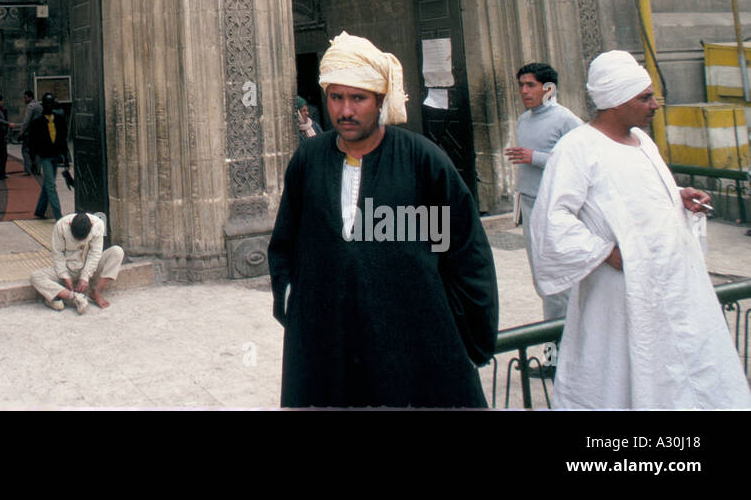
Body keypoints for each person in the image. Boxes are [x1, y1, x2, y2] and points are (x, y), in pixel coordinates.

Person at [267, 31, 499, 407]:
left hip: (415, 346)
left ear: (379, 100)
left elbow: (465, 253)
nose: (345, 111)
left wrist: (461, 334)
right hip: (330, 343)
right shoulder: (309, 160)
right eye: (336, 97)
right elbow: (285, 243)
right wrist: (294, 298)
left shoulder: (421, 161)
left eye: (358, 98)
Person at [529, 50, 751, 409]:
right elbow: (551, 221)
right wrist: (605, 252)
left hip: (677, 284)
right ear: (616, 103)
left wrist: (679, 197)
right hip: (621, 292)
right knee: (624, 377)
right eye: (645, 98)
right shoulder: (577, 148)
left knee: (686, 368)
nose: (655, 105)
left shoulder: (643, 142)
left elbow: (634, 195)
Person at [503, 61, 581, 375]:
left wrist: (534, 157)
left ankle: (560, 361)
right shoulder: (524, 120)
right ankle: (558, 357)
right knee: (545, 285)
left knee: (558, 286)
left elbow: (579, 163)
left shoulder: (567, 121)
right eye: (521, 85)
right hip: (531, 208)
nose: (524, 91)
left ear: (548, 88)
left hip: (556, 210)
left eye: (531, 85)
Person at [30, 211, 124, 313]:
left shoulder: (98, 224)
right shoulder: (61, 226)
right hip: (68, 269)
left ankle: (96, 292)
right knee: (36, 276)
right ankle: (74, 297)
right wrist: (65, 276)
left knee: (117, 251)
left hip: (89, 269)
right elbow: (57, 255)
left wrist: (85, 277)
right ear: (70, 225)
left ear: (91, 226)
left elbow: (95, 254)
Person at [29, 92, 70, 221]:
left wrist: (65, 156)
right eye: (46, 103)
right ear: (43, 105)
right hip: (45, 156)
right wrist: (33, 161)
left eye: (50, 103)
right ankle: (58, 216)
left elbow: (63, 139)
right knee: (51, 185)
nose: (48, 105)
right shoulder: (37, 122)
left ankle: (40, 210)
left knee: (48, 183)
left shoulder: (59, 119)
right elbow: (33, 143)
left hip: (56, 155)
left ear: (53, 104)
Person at [17, 89, 43, 176]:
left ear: (30, 97)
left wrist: (21, 131)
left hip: (31, 133)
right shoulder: (39, 106)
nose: (24, 100)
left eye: (25, 98)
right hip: (39, 133)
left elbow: (27, 120)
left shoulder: (30, 106)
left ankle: (28, 170)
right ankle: (38, 170)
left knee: (25, 151)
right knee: (37, 151)